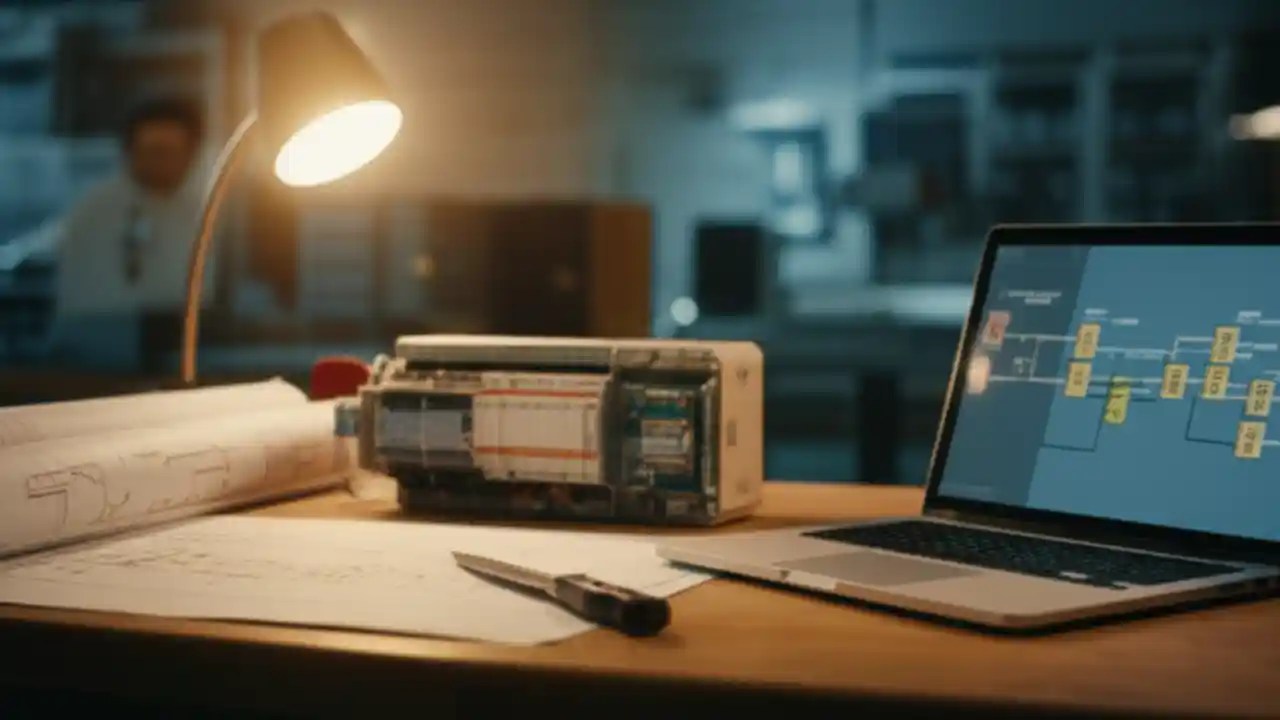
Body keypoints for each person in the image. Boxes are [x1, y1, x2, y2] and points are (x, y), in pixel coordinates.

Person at [37, 96, 214, 370]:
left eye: (171, 152)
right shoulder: (94, 212)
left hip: (180, 355)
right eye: (152, 150)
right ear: (130, 150)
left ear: (191, 154)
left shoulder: (202, 212)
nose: (161, 162)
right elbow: (89, 306)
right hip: (94, 363)